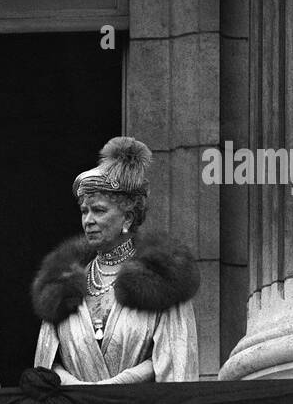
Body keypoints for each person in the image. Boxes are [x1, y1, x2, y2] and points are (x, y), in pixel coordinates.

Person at [31, 136, 199, 384]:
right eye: (84, 211)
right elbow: (46, 367)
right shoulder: (61, 283)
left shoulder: (163, 279)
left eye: (98, 210)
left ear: (128, 218)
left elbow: (176, 365)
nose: (88, 220)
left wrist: (121, 384)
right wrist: (76, 387)